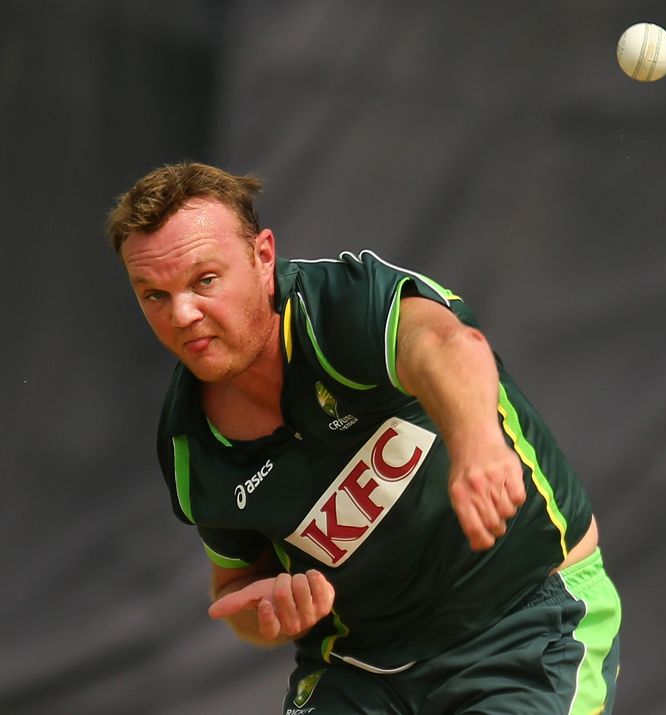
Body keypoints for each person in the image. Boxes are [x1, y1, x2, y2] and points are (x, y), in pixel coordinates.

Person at [107, 161, 622, 714]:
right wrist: (270, 613)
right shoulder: (190, 445)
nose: (182, 314)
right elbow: (236, 587)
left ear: (263, 256)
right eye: (154, 295)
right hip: (361, 668)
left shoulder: (339, 309)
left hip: (525, 620)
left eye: (205, 281)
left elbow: (449, 346)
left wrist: (476, 445)